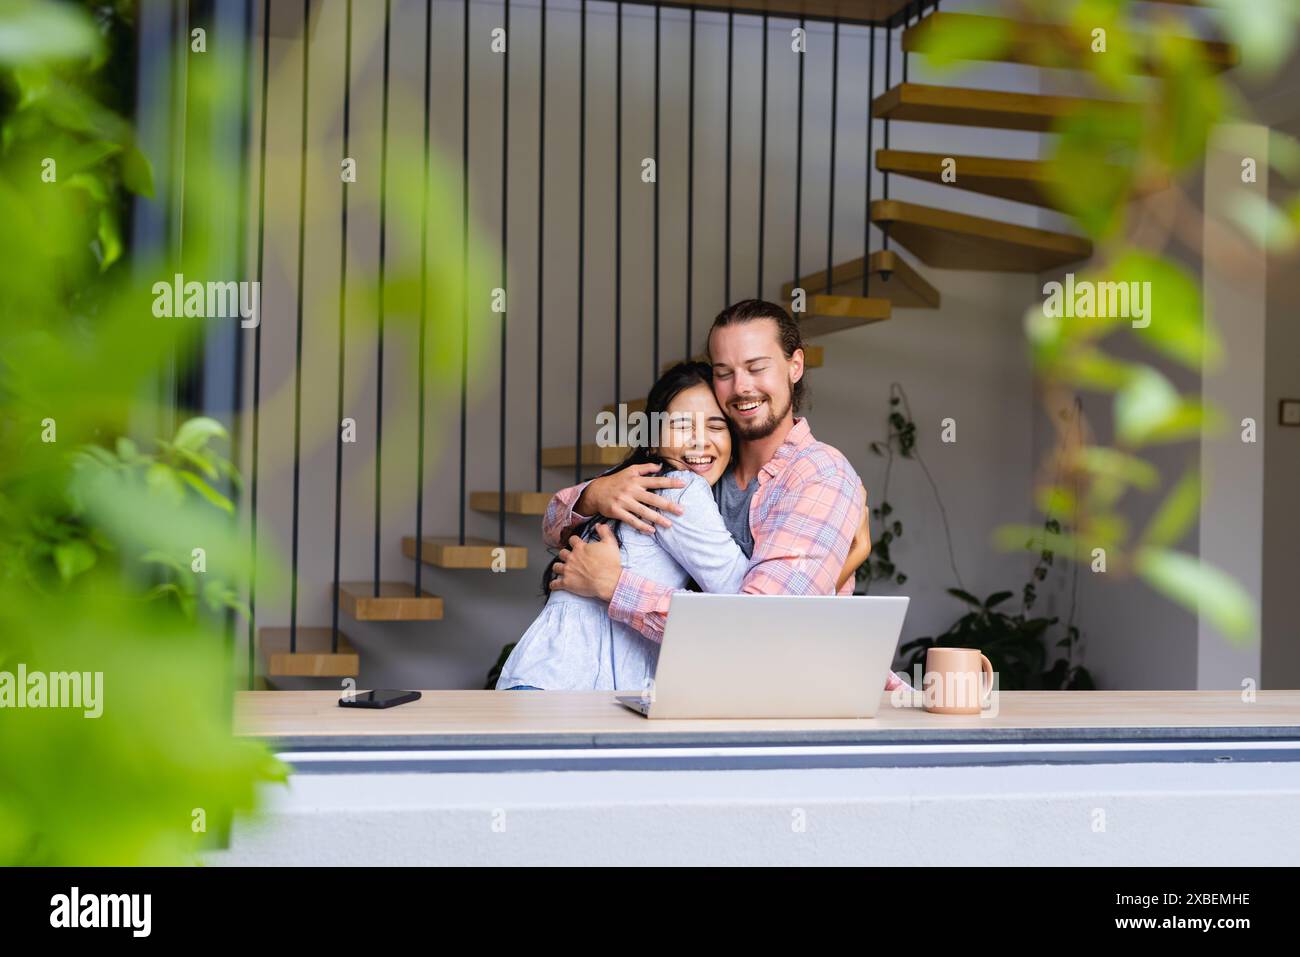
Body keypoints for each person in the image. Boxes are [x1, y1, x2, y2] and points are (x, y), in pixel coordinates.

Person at [547, 299, 908, 692]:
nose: (741, 388)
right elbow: (554, 529)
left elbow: (759, 629)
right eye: (724, 373)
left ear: (795, 366)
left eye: (757, 367)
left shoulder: (819, 475)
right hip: (697, 695)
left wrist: (614, 585)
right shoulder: (705, 463)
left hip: (791, 698)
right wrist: (594, 497)